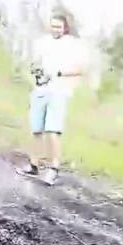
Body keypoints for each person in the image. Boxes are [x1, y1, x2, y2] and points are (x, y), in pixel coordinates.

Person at [17, 12, 86, 185]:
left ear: (65, 28)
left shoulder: (72, 44)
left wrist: (57, 73)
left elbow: (79, 69)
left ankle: (53, 169)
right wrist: (35, 71)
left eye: (59, 26)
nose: (55, 29)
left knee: (52, 131)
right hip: (40, 89)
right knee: (37, 130)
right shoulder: (42, 43)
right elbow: (34, 63)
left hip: (59, 91)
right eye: (53, 25)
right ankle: (34, 165)